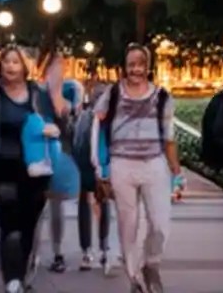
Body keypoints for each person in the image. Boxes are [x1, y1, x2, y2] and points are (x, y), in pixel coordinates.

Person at [0, 47, 60, 293]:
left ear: (24, 66)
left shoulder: (37, 95)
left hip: (35, 170)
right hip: (3, 166)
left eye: (15, 62)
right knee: (9, 225)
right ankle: (12, 280)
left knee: (29, 226)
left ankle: (21, 273)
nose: (10, 66)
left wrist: (52, 129)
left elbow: (55, 121)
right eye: (6, 61)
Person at [92, 44, 181, 293]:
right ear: (125, 66)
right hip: (122, 164)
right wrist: (99, 165)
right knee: (127, 224)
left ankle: (151, 264)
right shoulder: (113, 94)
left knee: (160, 223)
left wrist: (176, 167)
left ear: (148, 66)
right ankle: (135, 278)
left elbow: (170, 135)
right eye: (131, 64)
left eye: (140, 64)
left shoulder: (162, 96)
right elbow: (96, 128)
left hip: (154, 163)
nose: (136, 69)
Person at [74, 63, 115, 275]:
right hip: (87, 167)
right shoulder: (87, 117)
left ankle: (102, 248)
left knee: (101, 203)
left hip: (101, 167)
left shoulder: (106, 119)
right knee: (90, 203)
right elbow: (79, 143)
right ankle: (91, 249)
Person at [43, 71, 85, 274]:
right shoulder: (42, 103)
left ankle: (57, 252)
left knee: (54, 206)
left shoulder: (70, 94)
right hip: (43, 158)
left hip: (59, 161)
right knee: (43, 209)